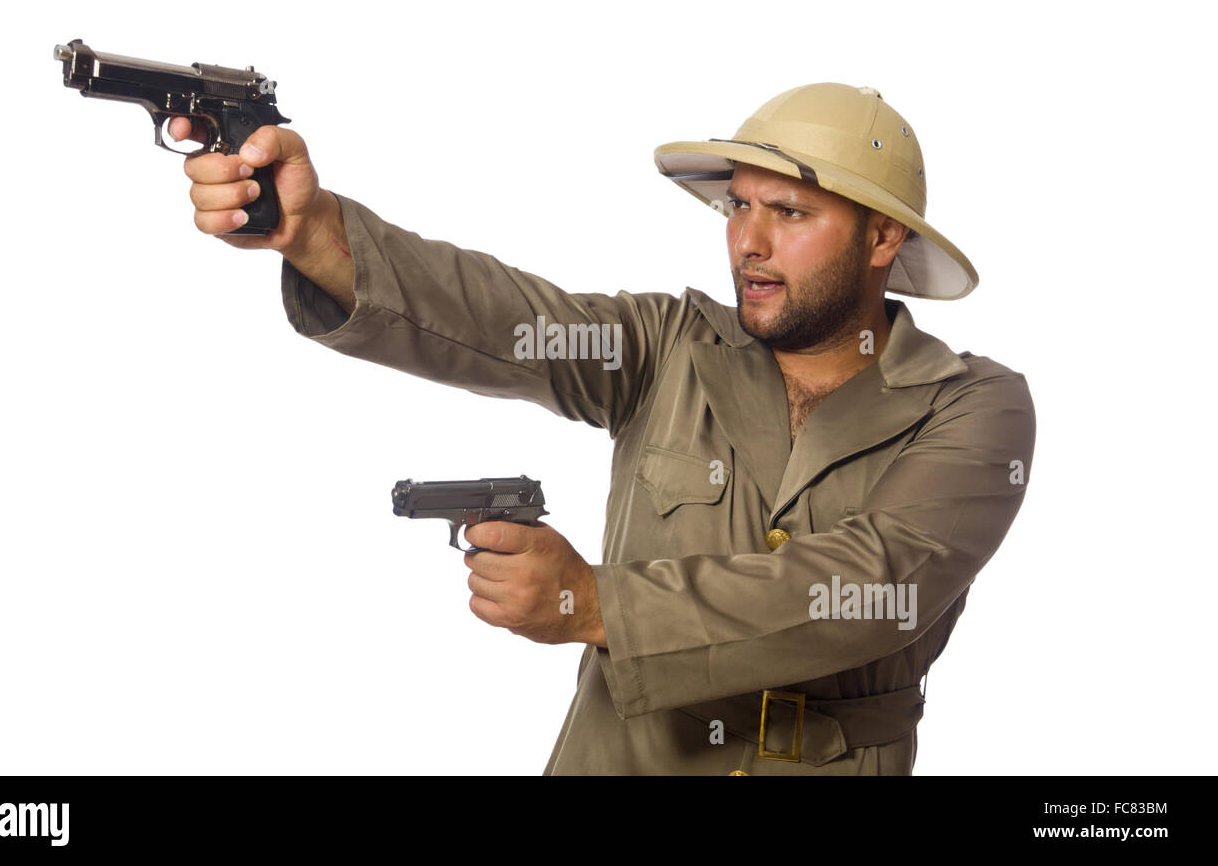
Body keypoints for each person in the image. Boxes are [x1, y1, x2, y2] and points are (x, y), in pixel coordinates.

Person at [170, 82, 1036, 775]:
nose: (749, 243)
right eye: (739, 206)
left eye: (792, 214)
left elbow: (879, 587)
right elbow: (508, 321)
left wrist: (596, 601)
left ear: (883, 235)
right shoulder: (668, 347)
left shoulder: (972, 405)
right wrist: (317, 232)